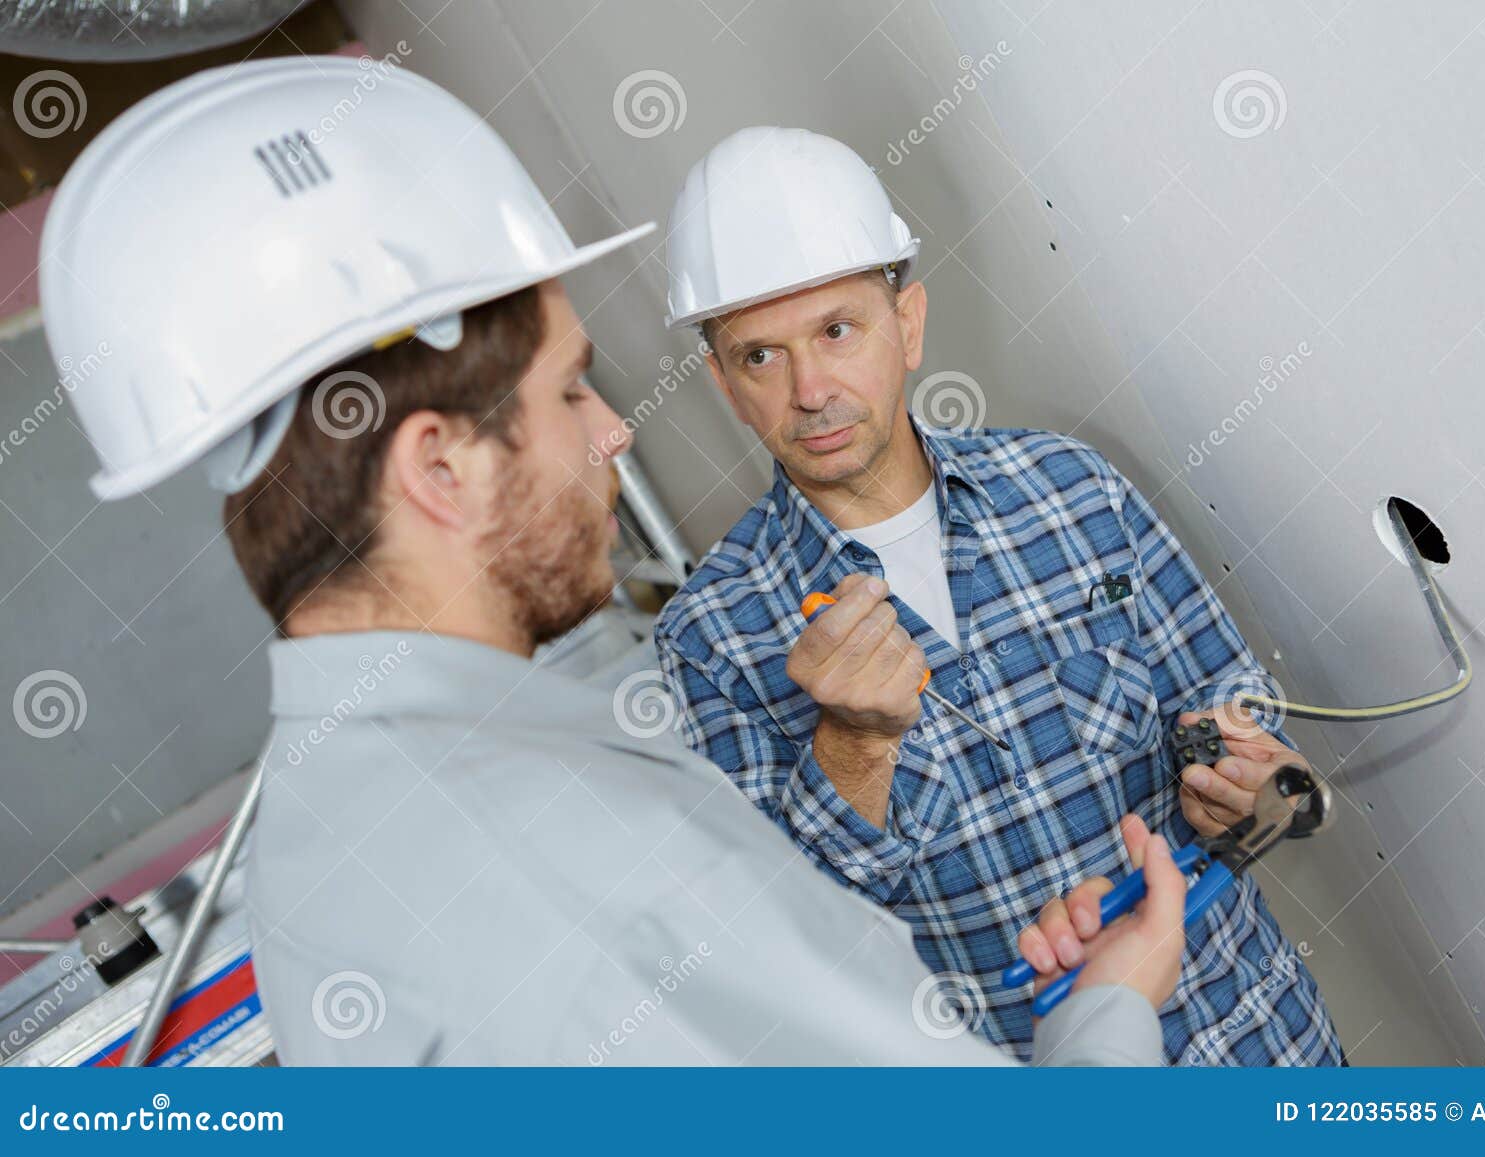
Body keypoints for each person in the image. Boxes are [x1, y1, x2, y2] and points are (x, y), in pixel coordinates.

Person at [40, 58, 1185, 1065]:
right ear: (442, 467)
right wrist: (1108, 1011)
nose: (612, 433)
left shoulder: (331, 831)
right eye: (569, 387)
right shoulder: (585, 861)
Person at [653, 126, 1342, 1064]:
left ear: (909, 324)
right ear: (725, 385)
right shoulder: (712, 636)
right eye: (760, 357)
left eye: (837, 331)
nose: (809, 389)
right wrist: (854, 746)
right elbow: (787, 954)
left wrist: (1248, 782)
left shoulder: (1072, 487)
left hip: (1264, 1045)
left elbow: (1234, 713)